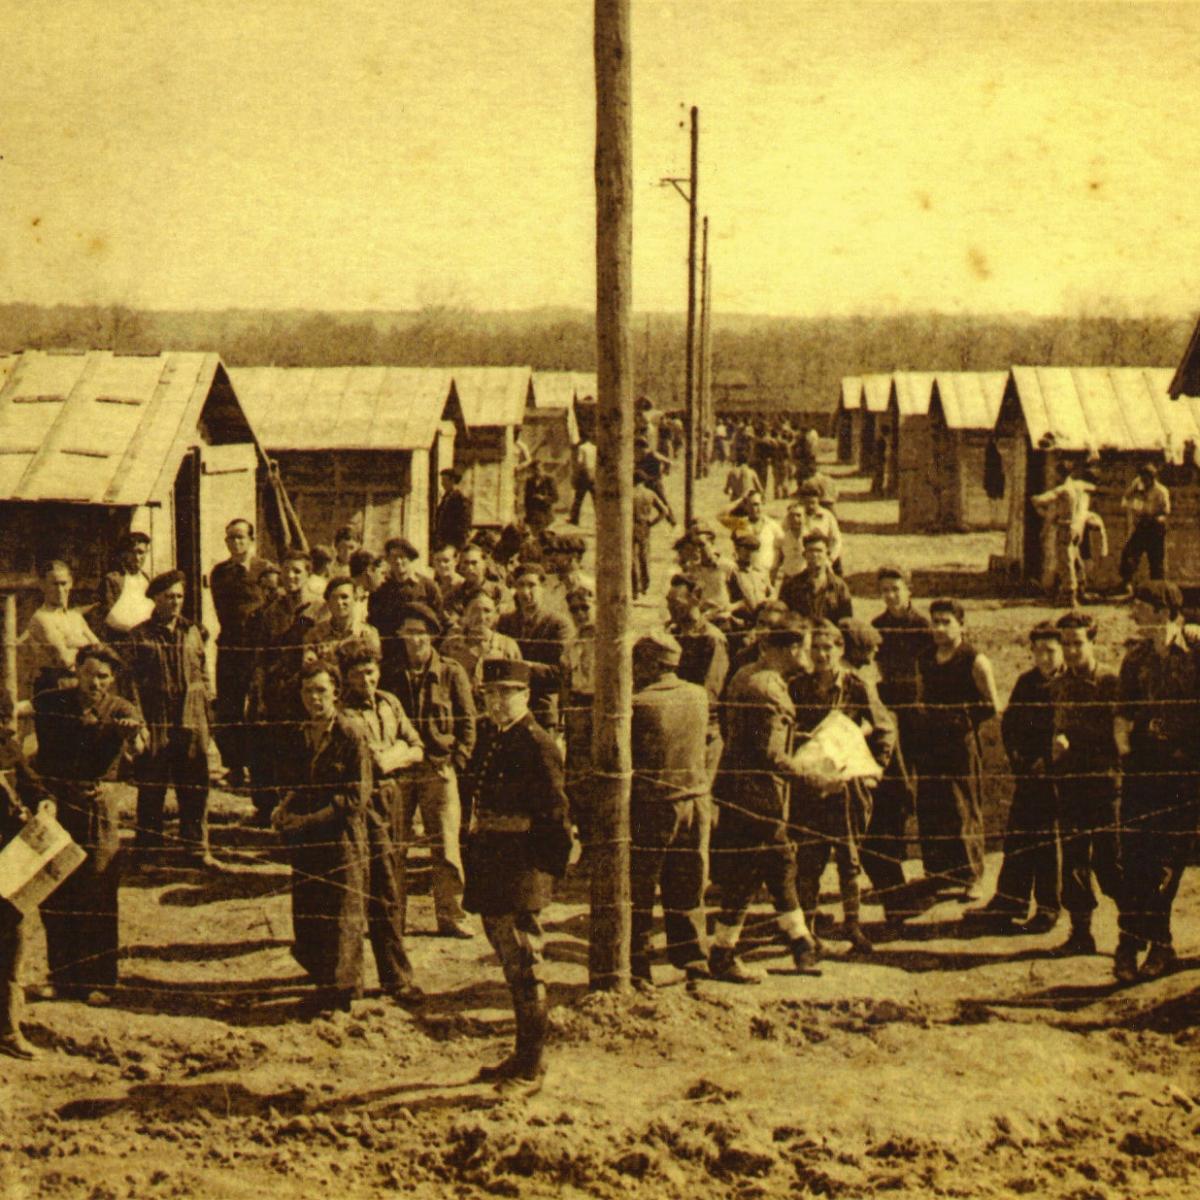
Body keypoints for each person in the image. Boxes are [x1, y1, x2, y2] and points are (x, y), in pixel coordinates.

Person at [462, 659, 572, 1093]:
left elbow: (556, 814)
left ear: (525, 696)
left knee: (527, 964)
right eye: (490, 693)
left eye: (506, 693)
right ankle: (522, 1055)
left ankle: (532, 1067)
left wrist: (542, 875)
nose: (496, 702)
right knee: (510, 961)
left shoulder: (537, 742)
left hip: (522, 868)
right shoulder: (496, 736)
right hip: (494, 861)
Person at [710, 613, 822, 983]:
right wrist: (810, 775)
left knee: (780, 865)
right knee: (750, 874)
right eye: (805, 649)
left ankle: (801, 943)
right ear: (790, 649)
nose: (809, 657)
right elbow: (771, 754)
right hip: (759, 797)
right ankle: (723, 952)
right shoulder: (768, 690)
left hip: (735, 788)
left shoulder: (746, 675)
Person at [34, 645, 146, 1003]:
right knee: (56, 888)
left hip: (99, 808)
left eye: (103, 677)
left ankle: (100, 980)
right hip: (57, 805)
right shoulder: (53, 703)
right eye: (89, 674)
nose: (95, 683)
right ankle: (61, 976)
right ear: (76, 671)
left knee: (97, 888)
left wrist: (130, 737)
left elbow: (141, 747)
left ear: (112, 679)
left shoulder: (122, 708)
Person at [790, 620, 895, 956]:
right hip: (811, 785)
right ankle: (807, 931)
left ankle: (853, 926)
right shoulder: (797, 687)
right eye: (816, 648)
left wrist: (875, 767)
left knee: (848, 858)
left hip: (847, 786)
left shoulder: (856, 685)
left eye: (828, 648)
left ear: (840, 649)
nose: (821, 655)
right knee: (809, 858)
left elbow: (884, 727)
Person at [271, 661, 372, 1015]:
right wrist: (283, 808)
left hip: (341, 837)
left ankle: (344, 994)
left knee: (343, 912)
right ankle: (322, 984)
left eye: (321, 691)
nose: (314, 699)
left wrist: (307, 820)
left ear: (336, 693)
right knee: (311, 909)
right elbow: (297, 781)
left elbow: (355, 798)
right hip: (307, 837)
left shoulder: (350, 734)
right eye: (307, 692)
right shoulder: (300, 733)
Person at [1111, 582, 1200, 982]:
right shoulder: (1135, 660)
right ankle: (1138, 944)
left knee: (1166, 862)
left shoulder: (1196, 652)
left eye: (1140, 609)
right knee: (1134, 860)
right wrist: (1128, 756)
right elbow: (1123, 717)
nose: (1133, 615)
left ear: (1163, 612)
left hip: (1186, 774)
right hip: (1144, 770)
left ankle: (1145, 944)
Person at [338, 640, 425, 1004]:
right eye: (358, 674)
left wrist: (397, 756)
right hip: (363, 803)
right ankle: (355, 982)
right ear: (346, 677)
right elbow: (371, 762)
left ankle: (394, 976)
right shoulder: (344, 714)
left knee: (393, 889)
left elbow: (417, 747)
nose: (367, 681)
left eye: (371, 672)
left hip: (394, 800)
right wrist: (397, 755)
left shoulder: (390, 703)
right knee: (364, 890)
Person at [967, 622, 1063, 933]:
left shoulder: (1067, 684)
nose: (1044, 658)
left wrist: (1048, 764)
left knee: (1049, 843)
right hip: (1027, 773)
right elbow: (1011, 725)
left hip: (1056, 777)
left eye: (1051, 651)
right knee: (1018, 838)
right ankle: (1010, 900)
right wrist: (1019, 760)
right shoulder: (1026, 682)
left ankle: (1048, 907)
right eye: (1039, 651)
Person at [389, 603, 477, 938]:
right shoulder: (391, 673)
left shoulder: (451, 672)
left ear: (432, 635)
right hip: (401, 770)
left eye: (420, 632)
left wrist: (458, 761)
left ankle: (452, 915)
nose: (414, 640)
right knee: (395, 846)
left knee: (447, 845)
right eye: (408, 633)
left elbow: (468, 721)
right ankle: (392, 918)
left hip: (439, 769)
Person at [629, 632, 712, 985]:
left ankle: (637, 962)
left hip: (652, 806)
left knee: (641, 889)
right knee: (688, 883)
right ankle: (693, 957)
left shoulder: (637, 704)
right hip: (694, 801)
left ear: (648, 665)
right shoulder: (698, 696)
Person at [912, 598, 1000, 898]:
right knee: (932, 805)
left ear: (961, 624)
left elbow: (991, 705)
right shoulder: (924, 658)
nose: (938, 627)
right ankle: (938, 872)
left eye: (945, 621)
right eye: (935, 621)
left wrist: (960, 719)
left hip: (961, 744)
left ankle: (972, 875)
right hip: (931, 742)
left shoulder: (974, 659)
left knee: (964, 808)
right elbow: (920, 698)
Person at [126, 570, 214, 866]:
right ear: (155, 599)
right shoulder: (139, 636)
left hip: (190, 718)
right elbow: (131, 683)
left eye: (179, 596)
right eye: (168, 597)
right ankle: (149, 852)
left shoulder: (193, 632)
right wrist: (138, 723)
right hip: (156, 719)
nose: (175, 602)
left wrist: (206, 715)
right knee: (152, 787)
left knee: (195, 785)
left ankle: (197, 849)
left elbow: (203, 673)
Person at [863, 567, 934, 920]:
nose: (890, 596)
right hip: (890, 715)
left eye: (895, 589)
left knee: (924, 789)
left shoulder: (923, 626)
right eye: (884, 590)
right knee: (897, 790)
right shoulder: (876, 627)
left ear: (909, 589)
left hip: (917, 715)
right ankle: (895, 867)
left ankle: (932, 869)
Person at [1050, 610, 1121, 957]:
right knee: (1074, 860)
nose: (1071, 650)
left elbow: (1119, 737)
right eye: (1065, 644)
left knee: (1111, 862)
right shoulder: (1060, 683)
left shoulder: (1109, 682)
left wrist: (1073, 741)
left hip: (1105, 785)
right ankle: (1081, 934)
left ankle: (1134, 932)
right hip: (1071, 783)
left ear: (1093, 642)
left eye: (1078, 643)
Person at [247, 548, 326, 823]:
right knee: (281, 755)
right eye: (286, 571)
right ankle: (279, 814)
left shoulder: (320, 607)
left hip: (310, 691)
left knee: (311, 754)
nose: (291, 577)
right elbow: (261, 654)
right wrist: (258, 692)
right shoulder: (272, 612)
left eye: (297, 571)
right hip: (280, 692)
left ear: (308, 574)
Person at [666, 573, 729, 887]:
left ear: (695, 599)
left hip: (703, 733)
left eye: (675, 600)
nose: (670, 606)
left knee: (702, 803)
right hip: (676, 730)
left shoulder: (711, 639)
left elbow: (709, 694)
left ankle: (700, 877)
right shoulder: (671, 634)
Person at [0, 688, 50, 1059]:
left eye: (6, 719)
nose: (5, 727)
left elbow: (29, 782)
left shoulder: (7, 747)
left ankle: (6, 1027)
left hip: (8, 860)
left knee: (13, 938)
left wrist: (42, 802)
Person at [210, 519, 264, 786]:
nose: (235, 543)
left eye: (241, 537)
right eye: (230, 538)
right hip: (231, 647)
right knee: (228, 708)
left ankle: (257, 767)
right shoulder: (220, 573)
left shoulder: (265, 570)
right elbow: (223, 610)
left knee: (255, 707)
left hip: (257, 649)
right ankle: (234, 765)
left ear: (252, 539)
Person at [497, 564, 570, 731]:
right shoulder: (505, 622)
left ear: (543, 587)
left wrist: (523, 668)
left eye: (531, 585)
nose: (525, 591)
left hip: (542, 706)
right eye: (520, 585)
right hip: (510, 708)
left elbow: (561, 672)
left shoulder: (558, 624)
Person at [19, 559, 98, 705]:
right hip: (55, 688)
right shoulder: (41, 618)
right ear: (43, 585)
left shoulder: (75, 616)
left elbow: (98, 649)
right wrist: (82, 643)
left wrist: (69, 642)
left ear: (71, 583)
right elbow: (65, 659)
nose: (60, 590)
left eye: (63, 583)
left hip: (81, 687)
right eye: (54, 584)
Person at [369, 537, 443, 691]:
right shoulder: (381, 591)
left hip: (421, 651)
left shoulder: (427, 586)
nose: (398, 562)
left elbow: (439, 620)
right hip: (392, 655)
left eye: (402, 557)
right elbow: (375, 624)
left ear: (410, 559)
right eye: (393, 557)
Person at [441, 591, 523, 710]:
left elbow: (518, 689)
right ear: (465, 614)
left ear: (495, 615)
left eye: (487, 611)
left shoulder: (508, 646)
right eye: (475, 610)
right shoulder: (450, 646)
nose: (481, 617)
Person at [560, 585, 596, 842]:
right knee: (577, 776)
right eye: (575, 610)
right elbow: (565, 680)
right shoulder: (572, 644)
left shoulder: (609, 640)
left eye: (585, 608)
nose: (580, 614)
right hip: (577, 710)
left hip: (600, 708)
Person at [1031, 460, 1094, 606]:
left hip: (1065, 528)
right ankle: (1081, 589)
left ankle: (1069, 595)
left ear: (1060, 474)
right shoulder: (1076, 487)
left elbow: (1045, 498)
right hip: (1076, 528)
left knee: (1066, 562)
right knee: (1076, 560)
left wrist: (1035, 500)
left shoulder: (1063, 489)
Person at [303, 577, 382, 667]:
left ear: (355, 598)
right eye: (334, 598)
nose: (339, 602)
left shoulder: (368, 633)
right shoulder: (315, 634)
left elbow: (374, 668)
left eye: (344, 597)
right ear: (328, 602)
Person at [778, 533, 853, 623]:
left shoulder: (839, 587)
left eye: (819, 550)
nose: (815, 555)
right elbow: (781, 619)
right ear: (804, 554)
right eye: (811, 551)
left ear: (827, 553)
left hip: (829, 635)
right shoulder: (791, 585)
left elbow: (846, 621)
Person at [1118, 463, 1170, 590]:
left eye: (1146, 479)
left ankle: (1158, 589)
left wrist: (1156, 519)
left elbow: (1165, 512)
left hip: (1156, 527)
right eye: (1142, 478)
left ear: (1153, 478)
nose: (1144, 481)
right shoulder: (1138, 486)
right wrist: (1134, 493)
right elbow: (1125, 500)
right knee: (1129, 553)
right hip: (1142, 525)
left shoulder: (1161, 491)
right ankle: (1127, 582)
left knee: (1156, 559)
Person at [95, 531, 154, 640]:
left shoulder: (147, 580)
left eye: (141, 552)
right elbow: (107, 616)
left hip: (146, 639)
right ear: (124, 554)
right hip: (121, 638)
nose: (137, 557)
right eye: (132, 552)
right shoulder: (113, 580)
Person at [780, 485, 843, 578]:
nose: (810, 506)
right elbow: (783, 534)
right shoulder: (796, 515)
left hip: (821, 561)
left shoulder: (827, 516)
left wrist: (830, 559)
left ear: (818, 501)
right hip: (799, 563)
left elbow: (837, 540)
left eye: (813, 503)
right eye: (807, 503)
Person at [719, 490, 784, 581]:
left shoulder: (773, 525)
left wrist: (774, 570)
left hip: (767, 576)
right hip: (746, 577)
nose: (754, 508)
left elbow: (782, 550)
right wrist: (740, 500)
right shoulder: (741, 524)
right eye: (750, 505)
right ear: (745, 506)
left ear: (763, 504)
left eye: (757, 504)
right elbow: (720, 515)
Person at [632, 471, 674, 599]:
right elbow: (665, 511)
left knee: (632, 557)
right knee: (644, 556)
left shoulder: (630, 494)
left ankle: (634, 587)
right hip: (644, 526)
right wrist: (653, 522)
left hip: (631, 525)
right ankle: (645, 585)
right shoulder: (650, 494)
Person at [434, 467, 474, 551]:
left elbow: (464, 523)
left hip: (454, 542)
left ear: (452, 481)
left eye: (445, 480)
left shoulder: (460, 499)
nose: (442, 483)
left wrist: (459, 544)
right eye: (442, 480)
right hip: (444, 541)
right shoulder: (446, 497)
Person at [523, 459, 559, 534]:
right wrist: (527, 515)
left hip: (546, 515)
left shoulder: (549, 480)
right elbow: (526, 500)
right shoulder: (529, 481)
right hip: (533, 516)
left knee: (545, 538)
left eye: (538, 470)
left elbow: (555, 498)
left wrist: (543, 498)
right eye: (534, 471)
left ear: (543, 469)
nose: (536, 472)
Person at [569, 432, 597, 525]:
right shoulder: (594, 448)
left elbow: (580, 462)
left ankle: (574, 518)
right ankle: (599, 518)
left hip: (584, 473)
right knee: (595, 498)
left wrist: (576, 475)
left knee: (578, 497)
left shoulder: (582, 448)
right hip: (593, 472)